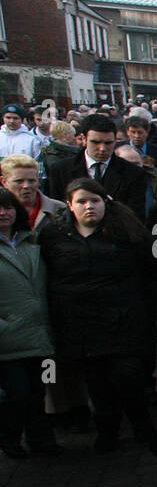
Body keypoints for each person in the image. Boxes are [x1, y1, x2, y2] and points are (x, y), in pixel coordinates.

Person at [39, 179, 156, 453]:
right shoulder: (54, 235)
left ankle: (142, 426)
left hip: (124, 321)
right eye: (81, 201)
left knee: (129, 378)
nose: (89, 206)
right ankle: (108, 430)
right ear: (69, 205)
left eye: (95, 200)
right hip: (81, 327)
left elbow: (149, 273)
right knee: (97, 383)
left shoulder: (127, 231)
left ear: (106, 202)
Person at [0, 187, 59, 458]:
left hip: (39, 333)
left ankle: (41, 439)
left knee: (39, 390)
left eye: (8, 207)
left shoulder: (30, 241)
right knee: (18, 392)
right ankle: (9, 438)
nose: (4, 213)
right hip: (9, 337)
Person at [46, 113, 148, 225]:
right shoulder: (60, 170)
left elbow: (136, 217)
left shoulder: (134, 173)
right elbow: (57, 211)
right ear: (84, 139)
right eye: (96, 142)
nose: (102, 148)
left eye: (108, 143)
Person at [2, 154, 65, 232]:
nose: (26, 186)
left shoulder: (60, 209)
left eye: (31, 181)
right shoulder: (2, 213)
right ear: (4, 182)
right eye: (19, 181)